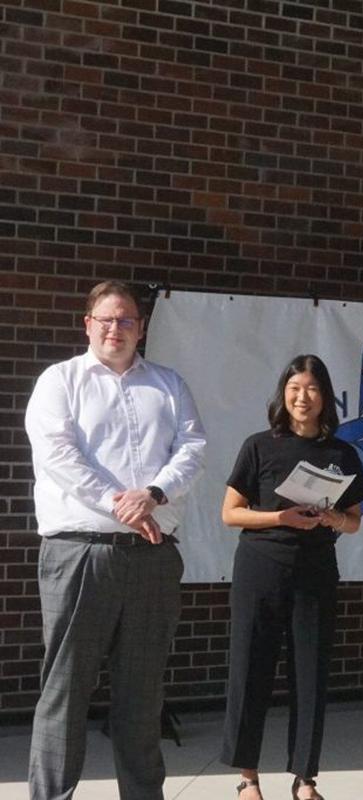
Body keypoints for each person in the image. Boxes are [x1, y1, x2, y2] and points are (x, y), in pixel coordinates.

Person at [24, 280, 207, 800]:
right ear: (88, 324)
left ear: (141, 328)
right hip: (81, 554)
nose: (116, 329)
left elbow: (193, 448)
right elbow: (58, 456)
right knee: (65, 693)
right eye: (106, 319)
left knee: (143, 697)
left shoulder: (169, 385)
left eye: (126, 319)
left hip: (152, 557)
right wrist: (120, 504)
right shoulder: (60, 381)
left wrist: (153, 494)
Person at [220, 355, 363, 800]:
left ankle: (305, 779)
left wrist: (331, 518)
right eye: (294, 389)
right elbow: (230, 513)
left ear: (325, 397)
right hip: (261, 566)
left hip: (315, 570)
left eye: (311, 389)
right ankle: (248, 778)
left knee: (311, 673)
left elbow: (354, 521)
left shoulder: (341, 454)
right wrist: (279, 517)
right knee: (251, 668)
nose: (302, 398)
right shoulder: (259, 446)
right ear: (282, 395)